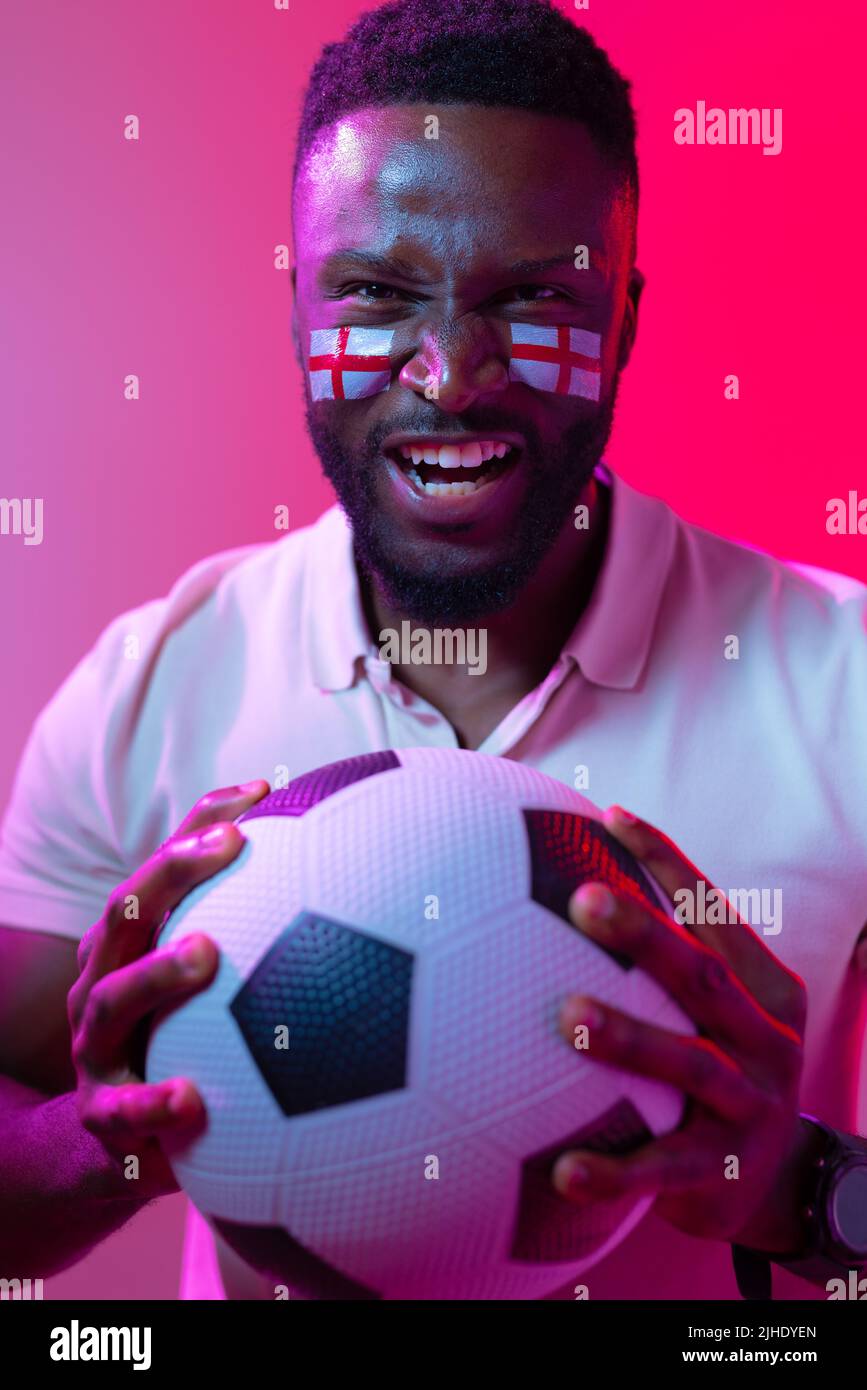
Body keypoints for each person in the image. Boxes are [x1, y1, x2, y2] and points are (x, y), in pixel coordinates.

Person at [0, 0, 865, 1302]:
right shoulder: (146, 690)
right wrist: (110, 1141)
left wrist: (796, 1188)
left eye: (536, 299)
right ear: (300, 310)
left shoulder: (843, 681)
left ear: (624, 320)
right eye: (376, 294)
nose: (453, 374)